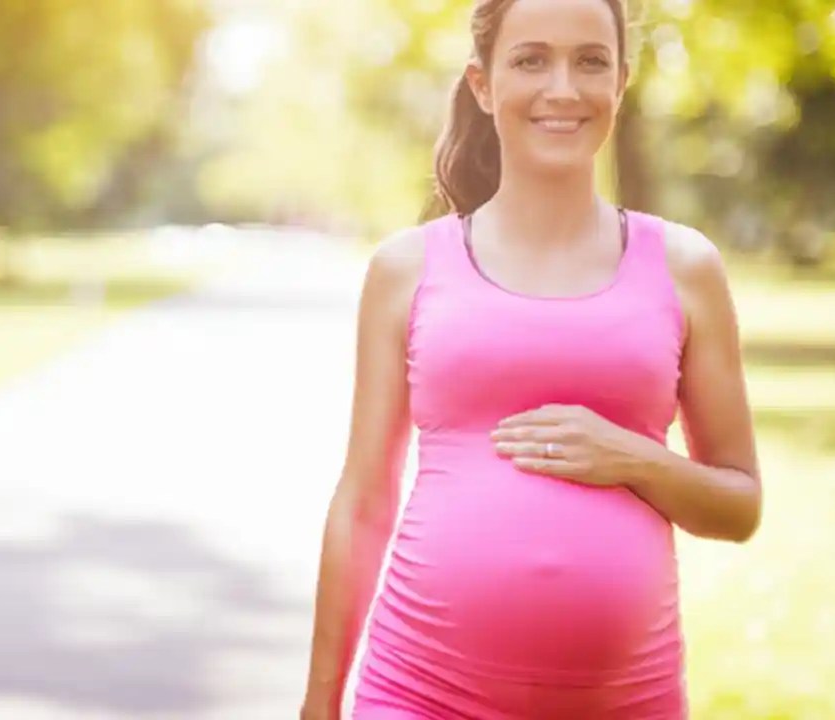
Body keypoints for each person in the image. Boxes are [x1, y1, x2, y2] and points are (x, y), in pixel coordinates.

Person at [300, 0, 762, 717]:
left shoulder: (684, 267)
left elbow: (739, 507)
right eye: (530, 59)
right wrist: (318, 705)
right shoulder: (406, 269)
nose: (563, 89)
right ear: (482, 84)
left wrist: (636, 459)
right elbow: (363, 504)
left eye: (590, 61)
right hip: (417, 696)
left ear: (622, 81)